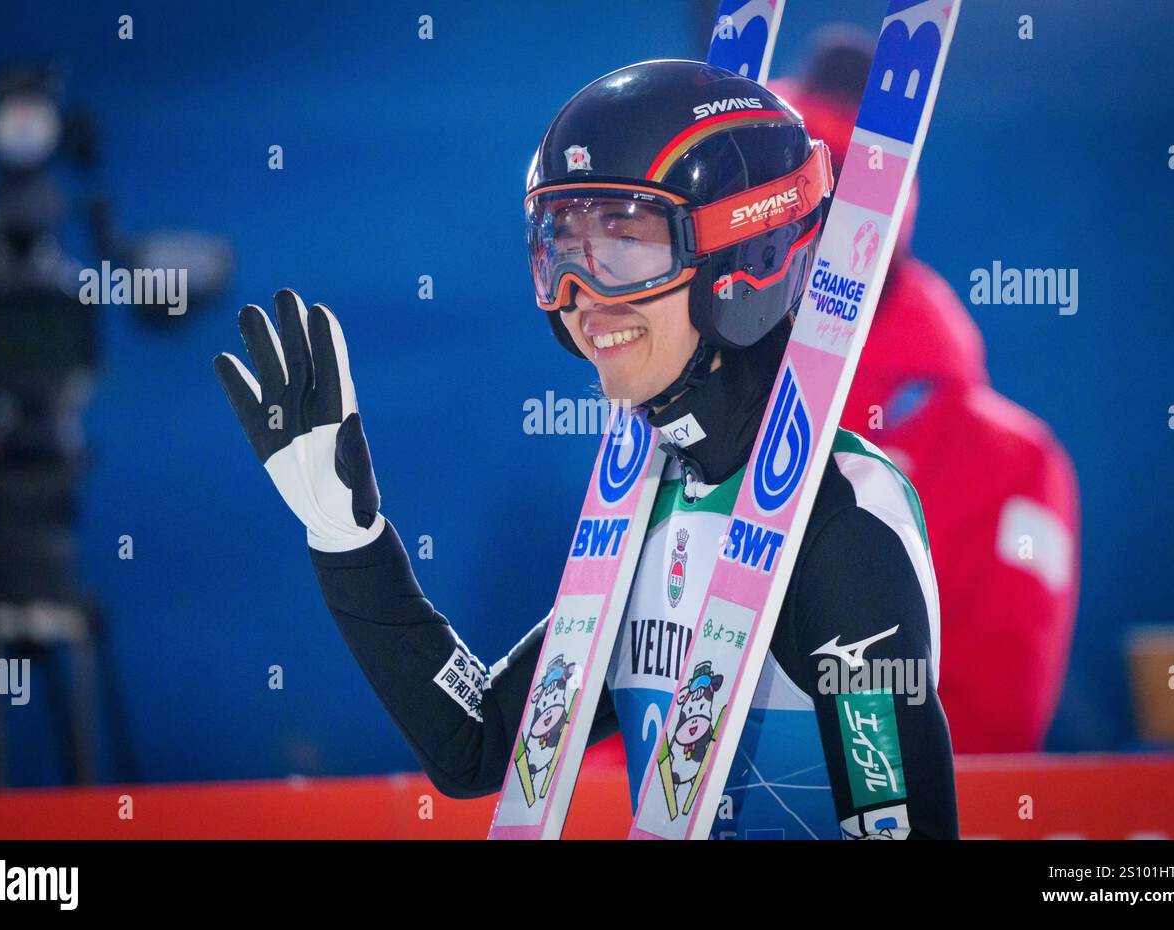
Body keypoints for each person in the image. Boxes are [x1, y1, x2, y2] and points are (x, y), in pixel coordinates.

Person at [214, 60, 958, 839]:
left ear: (745, 261)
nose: (580, 295)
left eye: (625, 245)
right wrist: (349, 542)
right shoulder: (649, 502)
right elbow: (478, 743)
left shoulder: (840, 529)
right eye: (558, 248)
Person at [770, 28, 1081, 753]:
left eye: (802, 195)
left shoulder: (1016, 466)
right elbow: (633, 724)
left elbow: (990, 733)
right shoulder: (692, 431)